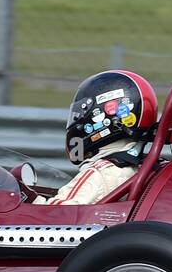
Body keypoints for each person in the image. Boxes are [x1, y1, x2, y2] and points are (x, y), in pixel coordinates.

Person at [39, 70, 159, 206]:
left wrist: (30, 197)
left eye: (80, 114)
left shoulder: (99, 174)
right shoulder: (145, 166)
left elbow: (53, 214)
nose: (77, 122)